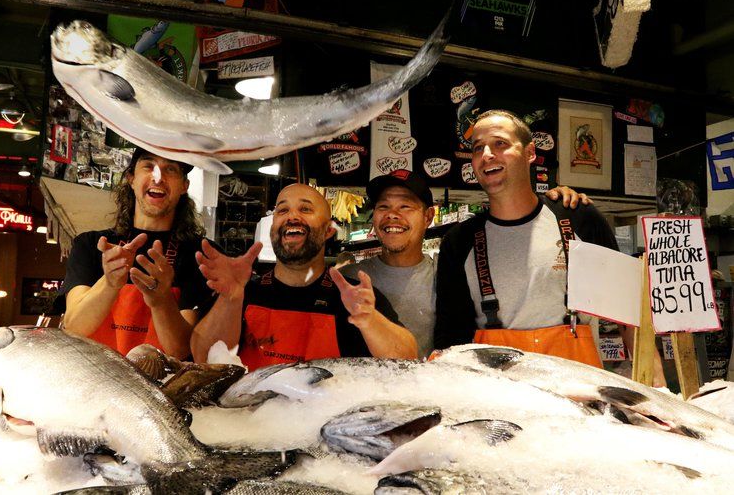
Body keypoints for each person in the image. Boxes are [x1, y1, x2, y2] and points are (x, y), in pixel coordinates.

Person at [434, 109, 619, 367]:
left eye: (500, 143)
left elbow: (629, 310)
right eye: (477, 148)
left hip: (577, 399)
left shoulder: (578, 218)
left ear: (530, 152)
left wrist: (654, 384)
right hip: (501, 399)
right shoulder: (459, 242)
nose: (486, 155)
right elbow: (450, 342)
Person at [342, 169, 591, 359]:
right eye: (383, 206)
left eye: (405, 206)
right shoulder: (348, 280)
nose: (392, 215)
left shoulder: (452, 274)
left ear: (428, 216)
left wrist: (551, 206)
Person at [190, 183, 417, 368]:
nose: (292, 216)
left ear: (328, 230)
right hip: (249, 422)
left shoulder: (354, 297)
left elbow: (407, 359)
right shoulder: (245, 291)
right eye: (282, 210)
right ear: (273, 229)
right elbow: (203, 358)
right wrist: (230, 300)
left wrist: (370, 320)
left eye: (306, 209)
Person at [63, 147, 214, 358]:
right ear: (131, 178)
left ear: (184, 186)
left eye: (170, 169)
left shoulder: (202, 255)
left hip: (164, 390)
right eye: (149, 166)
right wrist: (109, 284)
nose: (158, 178)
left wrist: (161, 300)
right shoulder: (91, 245)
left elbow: (181, 350)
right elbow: (73, 329)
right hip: (97, 384)